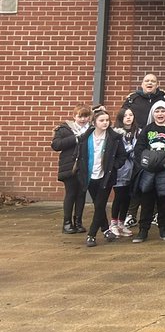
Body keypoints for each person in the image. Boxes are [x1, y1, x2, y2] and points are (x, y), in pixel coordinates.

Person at [132, 99, 165, 243]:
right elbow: (139, 148)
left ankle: (164, 229)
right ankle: (143, 230)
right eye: (157, 111)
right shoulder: (147, 129)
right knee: (146, 200)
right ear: (153, 113)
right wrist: (145, 161)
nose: (160, 114)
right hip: (149, 170)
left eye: (163, 111)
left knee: (164, 199)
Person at [79, 108, 128, 246]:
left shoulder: (114, 137)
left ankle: (91, 235)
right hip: (89, 176)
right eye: (101, 120)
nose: (105, 123)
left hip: (106, 176)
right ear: (94, 122)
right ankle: (106, 229)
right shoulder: (85, 137)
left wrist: (113, 166)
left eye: (107, 120)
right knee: (98, 205)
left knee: (100, 205)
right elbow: (80, 155)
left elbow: (122, 156)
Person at [52, 104, 93, 234]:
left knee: (81, 194)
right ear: (74, 116)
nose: (83, 119)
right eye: (80, 116)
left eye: (85, 116)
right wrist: (75, 138)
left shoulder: (92, 129)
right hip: (69, 166)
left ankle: (78, 222)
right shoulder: (64, 129)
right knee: (71, 194)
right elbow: (56, 145)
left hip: (85, 166)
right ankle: (67, 223)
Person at [110, 107, 138, 237]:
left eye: (131, 115)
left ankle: (122, 223)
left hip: (133, 169)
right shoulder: (115, 133)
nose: (128, 117)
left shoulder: (138, 132)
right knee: (119, 197)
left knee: (128, 197)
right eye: (125, 115)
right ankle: (113, 224)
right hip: (120, 170)